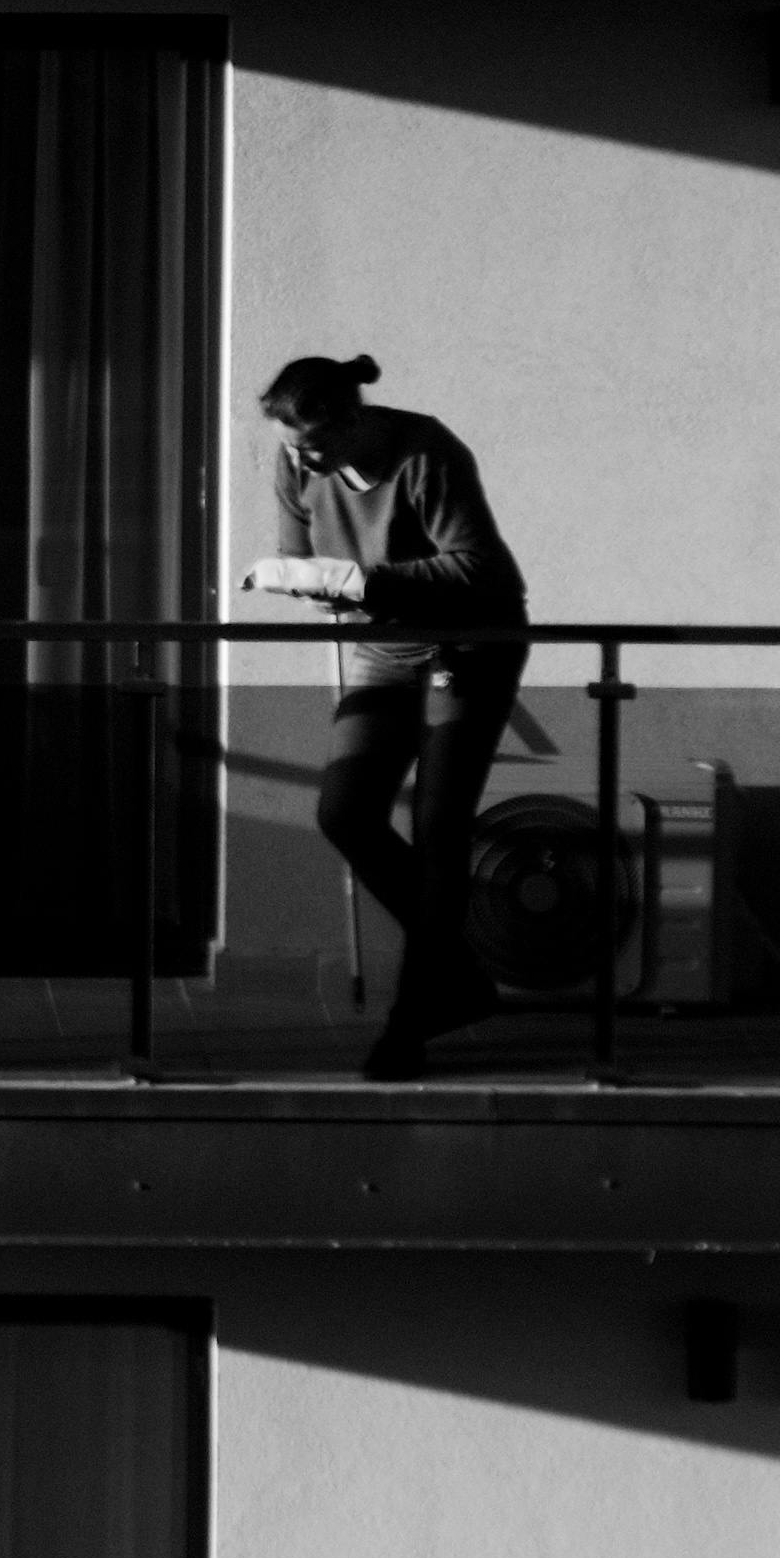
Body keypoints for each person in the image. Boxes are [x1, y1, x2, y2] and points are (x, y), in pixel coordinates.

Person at [243, 352, 529, 1079]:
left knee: (439, 829)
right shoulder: (296, 461)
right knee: (345, 811)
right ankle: (459, 976)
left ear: (353, 420)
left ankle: (411, 1021)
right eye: (290, 446)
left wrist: (363, 580)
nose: (301, 460)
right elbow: (298, 555)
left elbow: (480, 566)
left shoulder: (425, 452)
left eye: (313, 445)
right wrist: (305, 583)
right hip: (384, 644)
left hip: (471, 642)